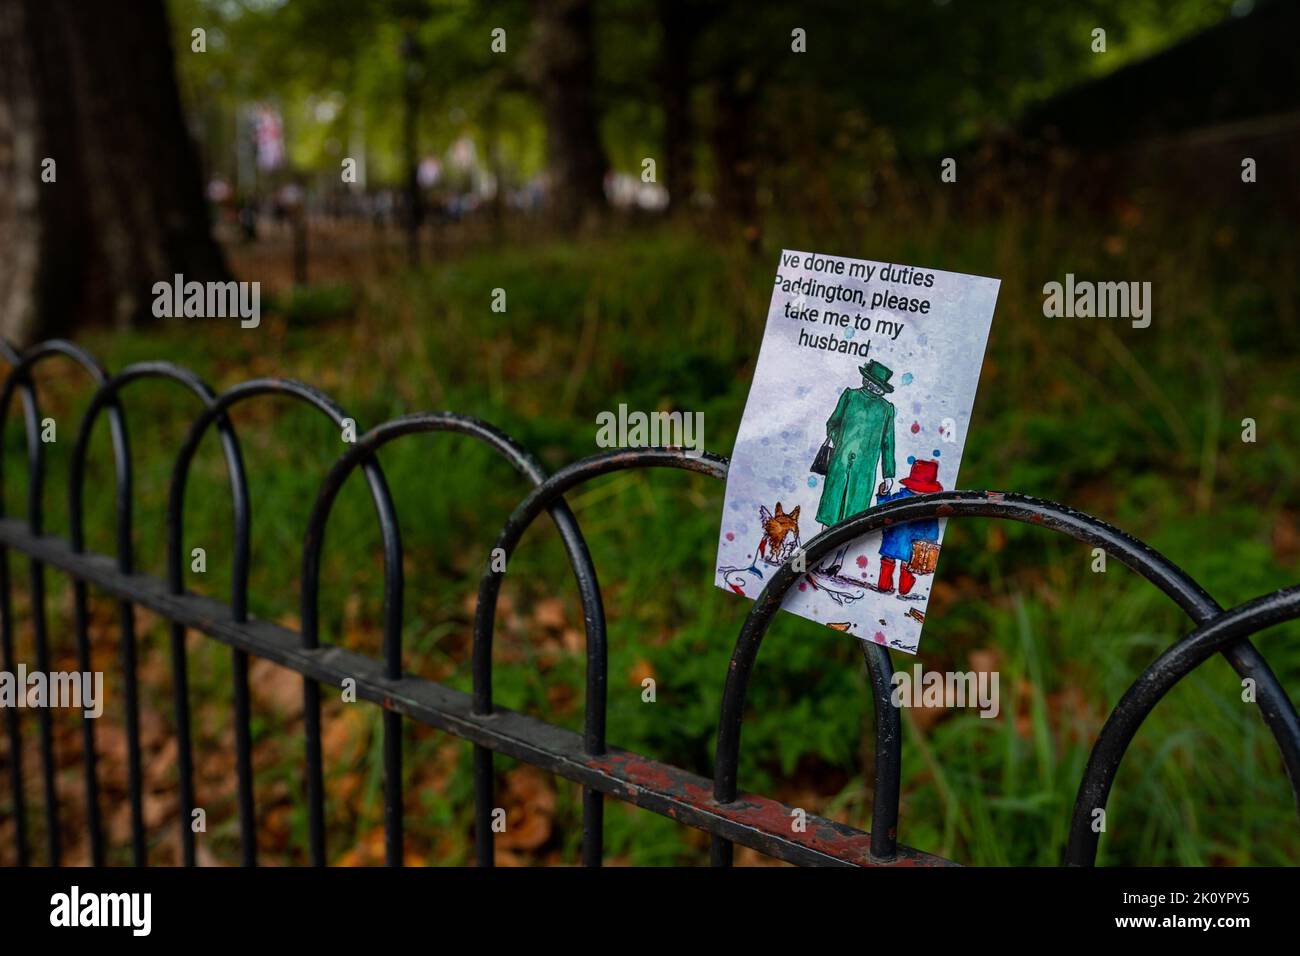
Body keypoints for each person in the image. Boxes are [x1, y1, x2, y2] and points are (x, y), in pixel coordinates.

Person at [813, 359, 897, 576]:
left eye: (877, 384)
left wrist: (889, 474)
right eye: (870, 381)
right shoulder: (850, 395)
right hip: (840, 463)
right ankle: (821, 556)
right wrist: (837, 439)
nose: (872, 387)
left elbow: (889, 442)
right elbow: (833, 422)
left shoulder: (886, 409)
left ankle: (838, 560)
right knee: (832, 510)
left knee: (853, 513)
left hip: (864, 471)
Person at [874, 459, 942, 595]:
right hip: (913, 545)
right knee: (906, 566)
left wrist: (883, 495)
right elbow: (933, 528)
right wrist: (932, 540)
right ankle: (904, 589)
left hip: (892, 540)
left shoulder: (899, 497)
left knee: (887, 562)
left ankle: (884, 585)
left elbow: (883, 507)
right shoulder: (930, 506)